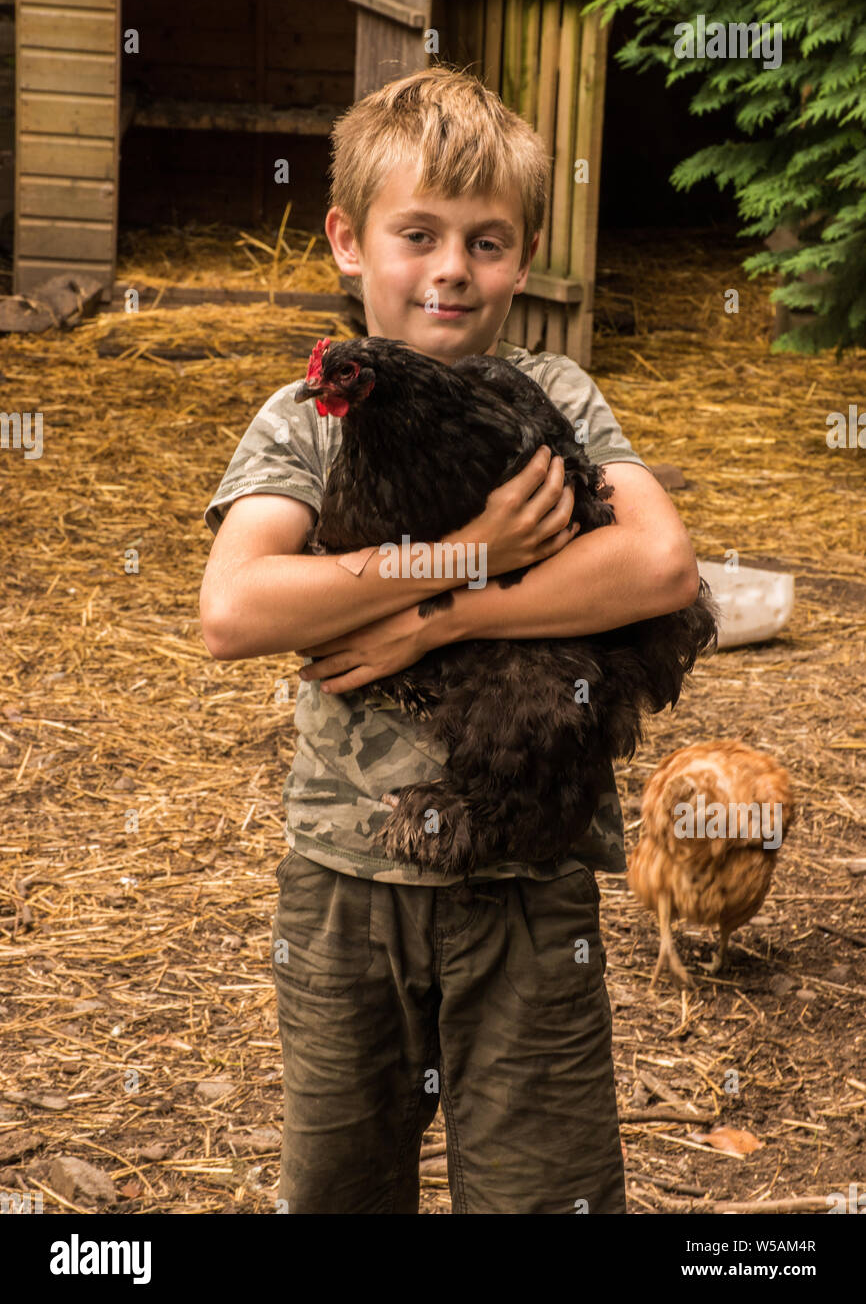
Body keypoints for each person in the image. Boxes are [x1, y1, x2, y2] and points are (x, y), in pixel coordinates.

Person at [200, 65, 700, 1214]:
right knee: (339, 1187)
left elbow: (659, 565)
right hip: (342, 881)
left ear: (521, 258)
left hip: (527, 882)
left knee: (542, 1196)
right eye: (415, 234)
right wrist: (468, 545)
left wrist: (444, 610)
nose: (449, 270)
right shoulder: (311, 412)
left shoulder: (552, 393)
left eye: (484, 241)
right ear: (345, 240)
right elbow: (233, 609)